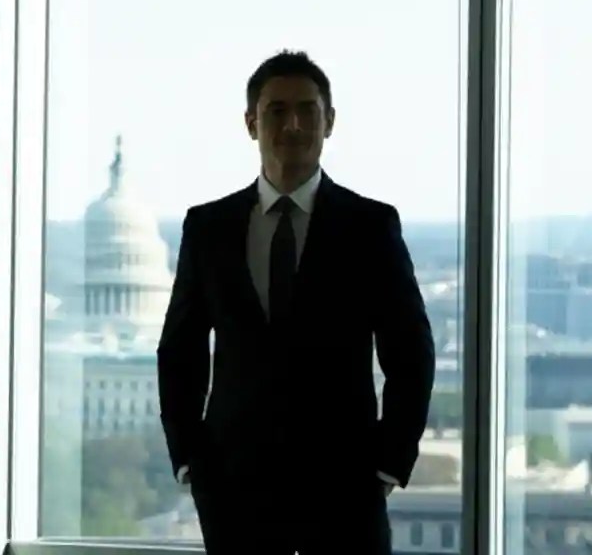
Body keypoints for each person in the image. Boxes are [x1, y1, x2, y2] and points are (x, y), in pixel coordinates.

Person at [156, 50, 436, 554]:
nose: (293, 125)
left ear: (329, 122)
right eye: (277, 111)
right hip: (232, 487)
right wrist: (189, 459)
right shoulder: (208, 228)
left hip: (346, 486)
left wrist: (388, 463)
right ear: (250, 123)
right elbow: (180, 352)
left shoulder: (370, 227)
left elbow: (410, 353)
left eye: (308, 110)